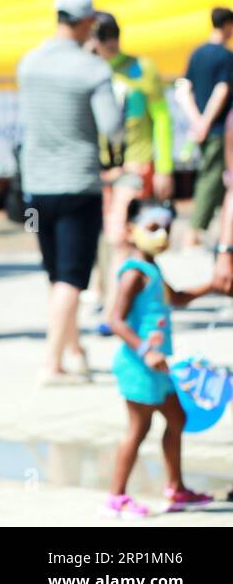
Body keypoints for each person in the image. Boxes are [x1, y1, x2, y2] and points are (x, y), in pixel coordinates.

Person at [17, 0, 123, 385]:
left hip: (37, 185)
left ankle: (75, 350)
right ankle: (52, 364)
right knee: (72, 278)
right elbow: (111, 127)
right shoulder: (93, 70)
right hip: (78, 183)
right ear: (86, 23)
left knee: (57, 274)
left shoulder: (28, 63)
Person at [103, 199, 215, 516]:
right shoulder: (134, 274)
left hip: (157, 367)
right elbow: (115, 320)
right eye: (153, 227)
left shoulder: (152, 269)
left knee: (177, 419)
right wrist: (145, 350)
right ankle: (115, 498)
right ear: (130, 230)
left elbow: (176, 297)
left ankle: (176, 488)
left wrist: (212, 286)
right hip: (139, 366)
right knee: (137, 430)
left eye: (166, 228)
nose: (162, 234)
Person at [91, 13, 174, 302]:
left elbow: (162, 118)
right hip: (97, 169)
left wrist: (164, 167)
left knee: (122, 236)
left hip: (136, 165)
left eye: (111, 38)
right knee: (105, 237)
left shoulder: (142, 68)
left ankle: (117, 304)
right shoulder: (88, 69)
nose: (108, 46)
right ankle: (109, 293)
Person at [177, 7, 233, 249]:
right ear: (227, 25)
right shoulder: (225, 56)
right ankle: (193, 233)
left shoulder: (197, 53)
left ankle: (221, 235)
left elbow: (183, 89)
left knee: (216, 182)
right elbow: (221, 91)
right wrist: (206, 122)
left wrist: (196, 121)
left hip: (202, 128)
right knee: (211, 180)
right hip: (219, 130)